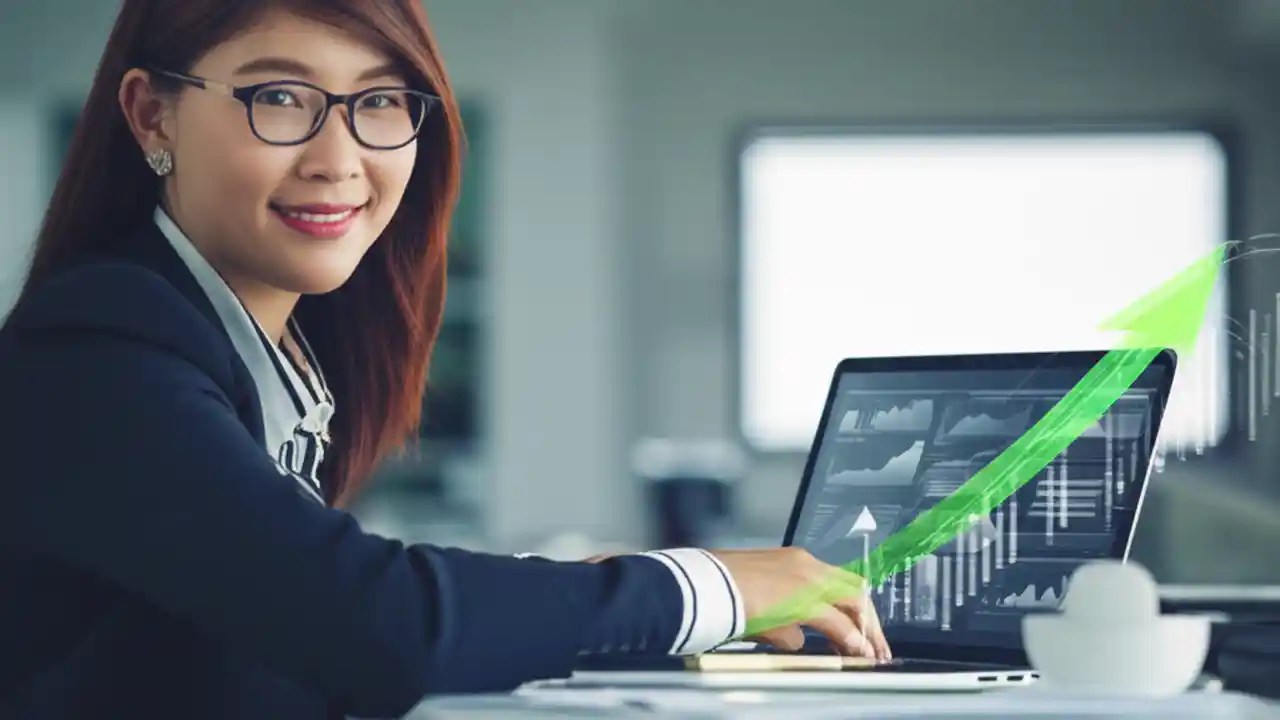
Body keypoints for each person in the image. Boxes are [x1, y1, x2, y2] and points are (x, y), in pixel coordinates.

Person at [0, 1, 889, 717]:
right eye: (279, 97)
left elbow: (285, 615)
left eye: (381, 101)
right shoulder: (100, 348)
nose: (339, 159)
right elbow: (370, 624)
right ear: (151, 113)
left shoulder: (259, 356)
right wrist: (708, 584)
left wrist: (570, 604)